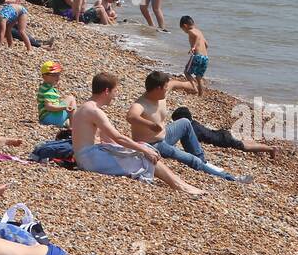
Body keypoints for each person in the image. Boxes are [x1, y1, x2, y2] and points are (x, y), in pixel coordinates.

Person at [71, 72, 205, 196]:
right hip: (90, 160)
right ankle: (180, 185)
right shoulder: (94, 111)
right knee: (145, 155)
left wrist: (133, 148)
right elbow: (117, 137)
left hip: (85, 157)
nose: (115, 95)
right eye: (115, 91)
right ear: (106, 91)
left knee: (141, 148)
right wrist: (143, 149)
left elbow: (106, 137)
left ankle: (179, 183)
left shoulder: (85, 107)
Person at [128, 71, 251, 183]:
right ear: (157, 88)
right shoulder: (141, 104)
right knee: (191, 160)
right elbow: (131, 116)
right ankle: (230, 178)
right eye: (165, 89)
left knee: (185, 122)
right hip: (152, 145)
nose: (167, 90)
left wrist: (190, 86)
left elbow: (174, 84)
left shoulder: (162, 92)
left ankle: (202, 161)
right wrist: (150, 125)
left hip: (165, 135)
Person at [169, 106, 278, 159]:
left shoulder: (191, 129)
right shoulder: (194, 123)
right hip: (221, 133)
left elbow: (194, 145)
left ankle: (270, 149)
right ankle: (260, 145)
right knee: (241, 142)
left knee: (244, 147)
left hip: (222, 140)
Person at [178, 15, 210, 95]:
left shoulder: (191, 31)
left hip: (197, 56)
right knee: (199, 77)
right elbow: (206, 44)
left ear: (185, 26)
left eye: (183, 29)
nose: (184, 31)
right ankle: (200, 94)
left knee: (187, 72)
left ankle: (194, 88)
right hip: (205, 57)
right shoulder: (199, 31)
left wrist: (193, 47)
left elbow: (197, 37)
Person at [37, 59, 75, 127]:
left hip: (44, 118)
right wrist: (64, 107)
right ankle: (73, 128)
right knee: (71, 99)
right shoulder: (48, 91)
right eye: (53, 75)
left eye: (58, 74)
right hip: (50, 118)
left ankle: (69, 124)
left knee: (68, 119)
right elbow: (49, 107)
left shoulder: (43, 87)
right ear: (44, 76)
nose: (57, 77)